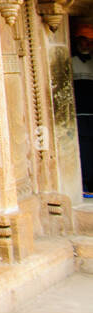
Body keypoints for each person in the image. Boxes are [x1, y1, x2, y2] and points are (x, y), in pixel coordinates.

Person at [73, 21, 93, 197]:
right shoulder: (71, 61)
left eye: (90, 41)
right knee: (84, 150)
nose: (87, 44)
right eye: (85, 40)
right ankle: (85, 185)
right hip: (79, 115)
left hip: (91, 114)